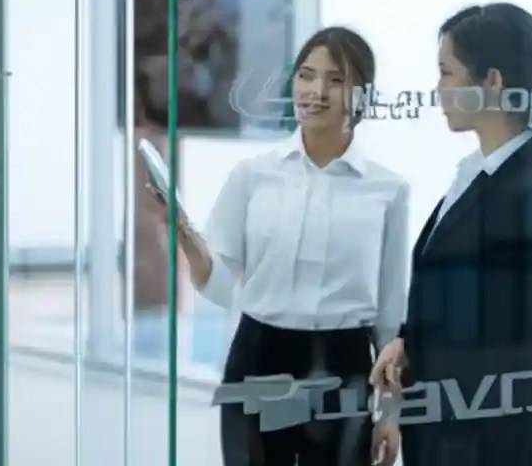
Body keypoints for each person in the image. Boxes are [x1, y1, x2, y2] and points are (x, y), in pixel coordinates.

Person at [151, 26, 407, 466]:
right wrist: (189, 243)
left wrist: (390, 415)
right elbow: (221, 286)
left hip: (344, 364)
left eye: (336, 79)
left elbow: (389, 318)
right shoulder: (253, 175)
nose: (316, 91)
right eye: (306, 75)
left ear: (362, 95)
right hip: (259, 356)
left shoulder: (388, 190)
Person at [369, 3, 532, 466]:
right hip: (449, 440)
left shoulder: (524, 193)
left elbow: (511, 364)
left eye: (447, 73)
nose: (438, 89)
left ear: (492, 81)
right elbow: (462, 302)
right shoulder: (480, 175)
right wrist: (408, 343)